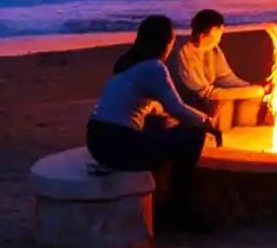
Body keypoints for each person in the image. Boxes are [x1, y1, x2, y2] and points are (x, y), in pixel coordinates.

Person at [86, 15, 220, 233]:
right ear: (165, 43)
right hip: (117, 142)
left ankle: (162, 197)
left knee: (161, 126)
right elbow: (176, 108)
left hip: (97, 139)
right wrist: (207, 122)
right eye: (171, 42)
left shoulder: (128, 65)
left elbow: (152, 107)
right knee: (193, 136)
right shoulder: (154, 67)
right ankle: (179, 209)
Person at [170, 8, 266, 131]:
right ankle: (218, 135)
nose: (218, 41)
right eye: (215, 37)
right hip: (189, 100)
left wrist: (248, 86)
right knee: (221, 102)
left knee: (254, 94)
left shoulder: (213, 49)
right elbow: (202, 93)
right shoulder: (184, 52)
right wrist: (245, 91)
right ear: (201, 36)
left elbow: (225, 77)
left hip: (208, 93)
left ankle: (244, 132)